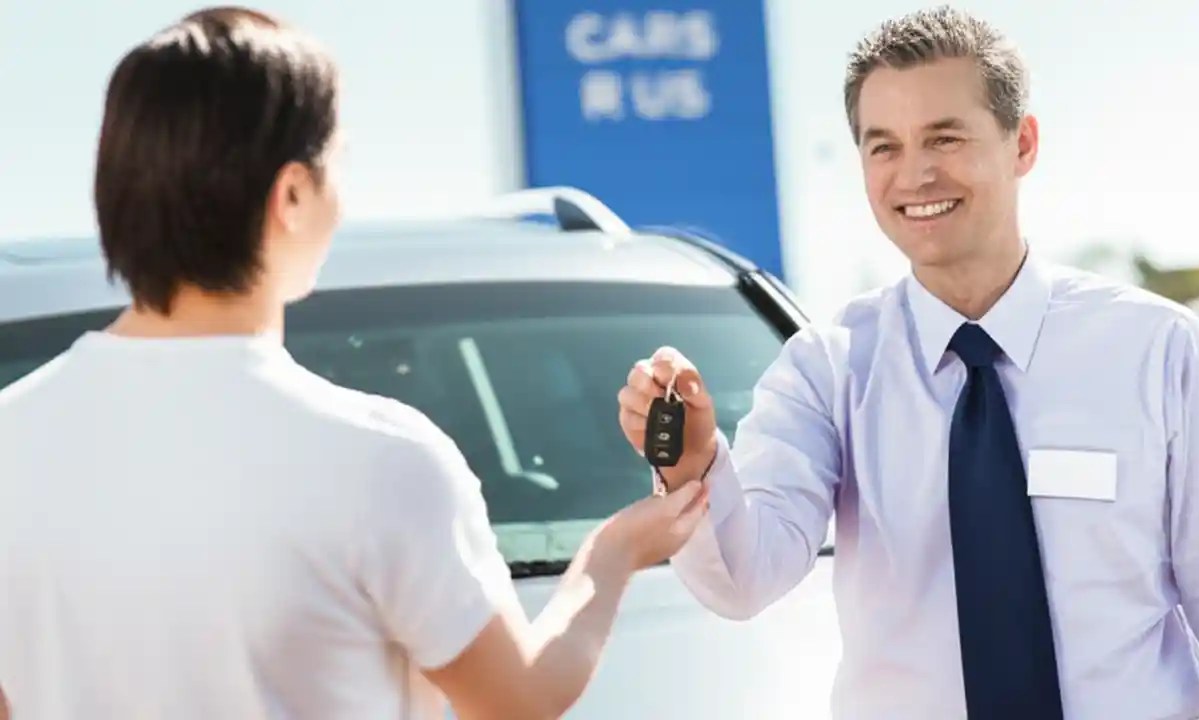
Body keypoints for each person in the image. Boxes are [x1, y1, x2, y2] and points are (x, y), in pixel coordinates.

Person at [0, 7, 708, 720]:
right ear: (293, 194)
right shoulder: (378, 456)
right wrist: (611, 555)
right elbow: (517, 700)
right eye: (339, 163)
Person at [618, 5, 1199, 719]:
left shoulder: (1157, 351)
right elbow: (744, 580)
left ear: (1021, 143)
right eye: (884, 147)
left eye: (945, 138)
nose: (916, 175)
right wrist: (691, 468)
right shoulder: (827, 370)